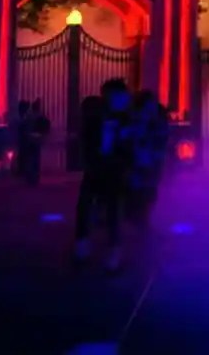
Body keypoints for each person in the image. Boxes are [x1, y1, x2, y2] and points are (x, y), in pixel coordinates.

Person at [73, 79, 131, 272]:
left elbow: (129, 148)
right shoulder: (94, 115)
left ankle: (113, 253)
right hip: (95, 169)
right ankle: (82, 246)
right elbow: (85, 139)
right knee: (85, 207)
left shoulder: (127, 119)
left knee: (114, 211)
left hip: (115, 172)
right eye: (115, 96)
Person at [124, 91, 168, 228]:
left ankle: (143, 220)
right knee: (137, 193)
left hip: (151, 162)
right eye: (148, 105)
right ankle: (137, 220)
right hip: (137, 163)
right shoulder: (133, 120)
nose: (151, 108)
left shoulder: (157, 120)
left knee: (149, 192)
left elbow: (162, 138)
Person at [16, 99, 51, 186]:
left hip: (29, 140)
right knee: (35, 159)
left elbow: (23, 128)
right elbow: (46, 125)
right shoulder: (40, 116)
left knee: (30, 159)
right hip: (36, 139)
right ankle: (34, 178)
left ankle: (31, 178)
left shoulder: (28, 117)